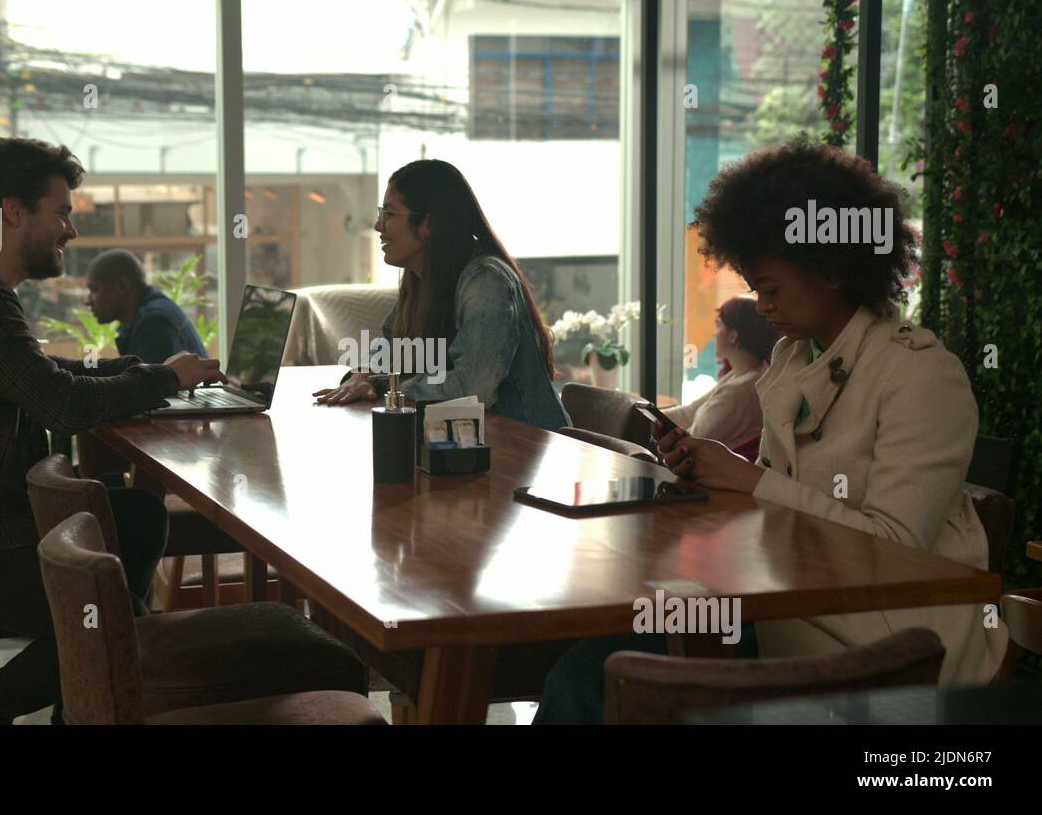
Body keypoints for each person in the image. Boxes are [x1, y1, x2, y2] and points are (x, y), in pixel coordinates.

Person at [535, 136, 1005, 723]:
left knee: (595, 678)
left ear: (833, 268)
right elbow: (790, 505)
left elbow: (897, 551)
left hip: (887, 645)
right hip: (788, 610)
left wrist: (749, 483)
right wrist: (715, 473)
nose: (759, 305)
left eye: (771, 287)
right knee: (592, 668)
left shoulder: (922, 375)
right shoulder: (795, 358)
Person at [0, 135, 225, 724]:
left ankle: (81, 707)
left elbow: (39, 373)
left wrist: (145, 371)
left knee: (137, 516)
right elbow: (56, 402)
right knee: (113, 619)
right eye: (61, 212)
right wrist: (162, 378)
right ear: (14, 212)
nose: (71, 230)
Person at [312, 159, 570, 431]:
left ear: (428, 224)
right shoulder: (423, 279)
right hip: (472, 443)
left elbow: (470, 388)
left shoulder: (486, 282)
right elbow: (386, 347)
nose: (378, 225)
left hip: (531, 449)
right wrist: (360, 374)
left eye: (389, 214)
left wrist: (382, 383)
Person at [661, 295, 778, 449]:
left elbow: (691, 443)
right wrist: (647, 414)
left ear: (733, 336)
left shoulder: (739, 391)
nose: (714, 334)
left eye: (718, 326)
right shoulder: (744, 375)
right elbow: (690, 412)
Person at [86, 248, 207, 364]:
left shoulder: (154, 322)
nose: (88, 301)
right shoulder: (142, 318)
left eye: (95, 289)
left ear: (123, 285)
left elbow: (154, 384)